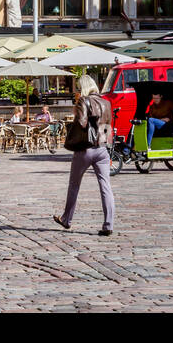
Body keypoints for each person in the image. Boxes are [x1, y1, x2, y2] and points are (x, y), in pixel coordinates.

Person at [52, 76, 115, 237]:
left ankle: (67, 219)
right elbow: (107, 126)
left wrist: (76, 117)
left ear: (83, 88)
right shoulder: (106, 102)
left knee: (74, 185)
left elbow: (81, 123)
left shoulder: (84, 101)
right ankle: (108, 224)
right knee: (105, 186)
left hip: (85, 149)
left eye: (78, 89)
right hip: (101, 148)